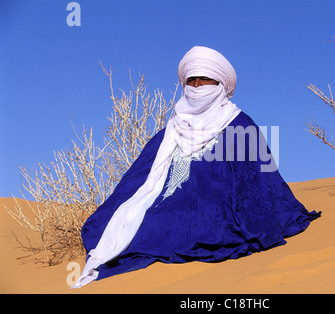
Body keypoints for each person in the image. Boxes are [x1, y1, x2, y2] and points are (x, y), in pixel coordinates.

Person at [73, 46, 320, 288]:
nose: (197, 87)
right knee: (132, 225)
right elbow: (136, 181)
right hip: (169, 206)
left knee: (200, 230)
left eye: (205, 80)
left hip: (221, 209)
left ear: (221, 85)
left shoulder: (240, 125)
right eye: (192, 81)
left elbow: (262, 182)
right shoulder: (170, 131)